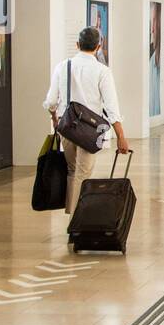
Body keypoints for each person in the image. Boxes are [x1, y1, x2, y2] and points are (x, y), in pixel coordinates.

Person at [43, 26, 131, 216]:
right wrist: (121, 137)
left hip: (66, 128)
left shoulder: (63, 66)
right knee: (82, 173)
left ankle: (73, 217)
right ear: (98, 46)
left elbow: (51, 101)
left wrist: (54, 118)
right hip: (89, 132)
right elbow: (111, 108)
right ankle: (76, 221)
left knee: (73, 171)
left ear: (77, 44)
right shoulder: (102, 71)